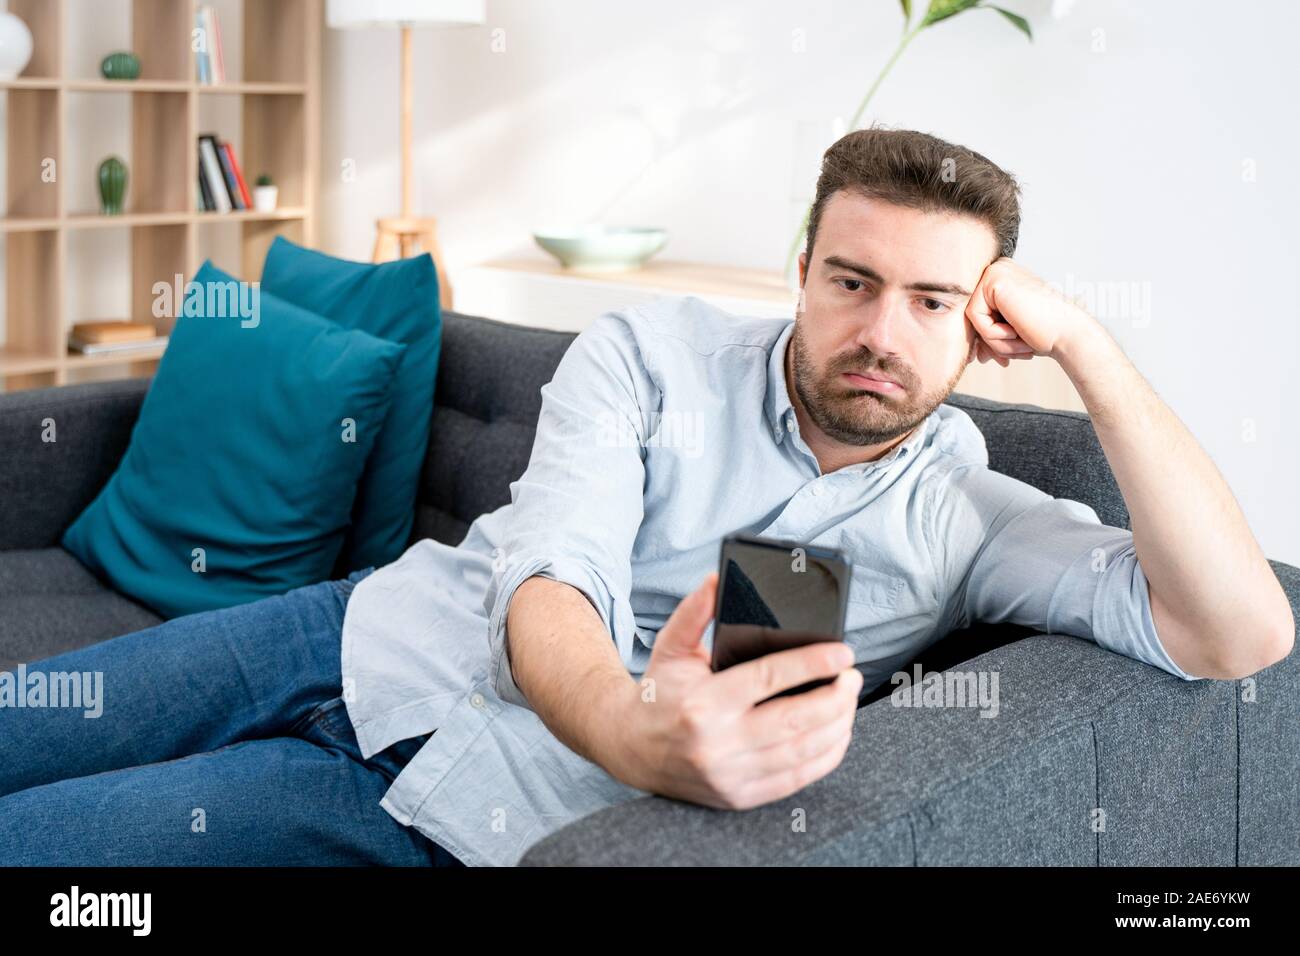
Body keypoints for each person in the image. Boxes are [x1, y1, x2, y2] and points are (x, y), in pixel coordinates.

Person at [1, 127, 1290, 867]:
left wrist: (1092, 354)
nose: (879, 331)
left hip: (443, 802)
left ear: (986, 324)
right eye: (851, 280)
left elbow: (1241, 635)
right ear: (801, 271)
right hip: (360, 633)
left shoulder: (973, 517)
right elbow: (556, 566)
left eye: (935, 300)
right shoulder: (648, 356)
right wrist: (631, 729)